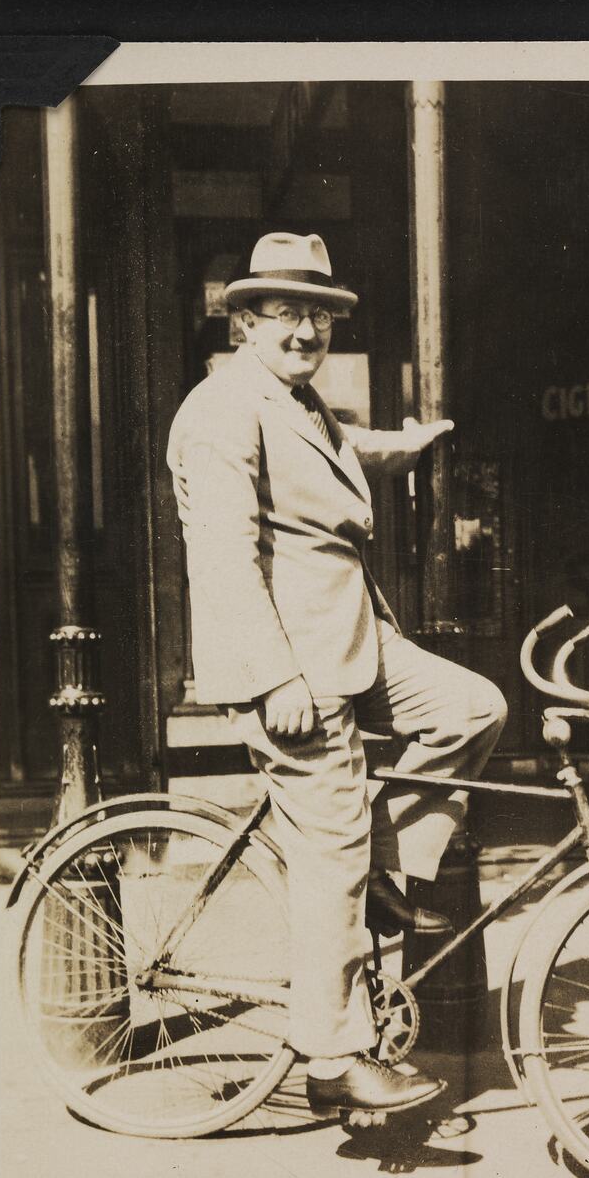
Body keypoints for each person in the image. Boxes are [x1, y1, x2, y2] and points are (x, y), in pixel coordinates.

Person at [167, 232, 507, 1118]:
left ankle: (394, 867)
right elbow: (221, 554)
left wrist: (413, 440)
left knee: (474, 706)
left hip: (352, 640)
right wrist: (273, 676)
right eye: (284, 311)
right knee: (329, 857)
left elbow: (345, 453)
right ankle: (332, 1056)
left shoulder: (297, 404)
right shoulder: (219, 410)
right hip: (293, 667)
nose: (306, 327)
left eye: (318, 311)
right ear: (242, 322)